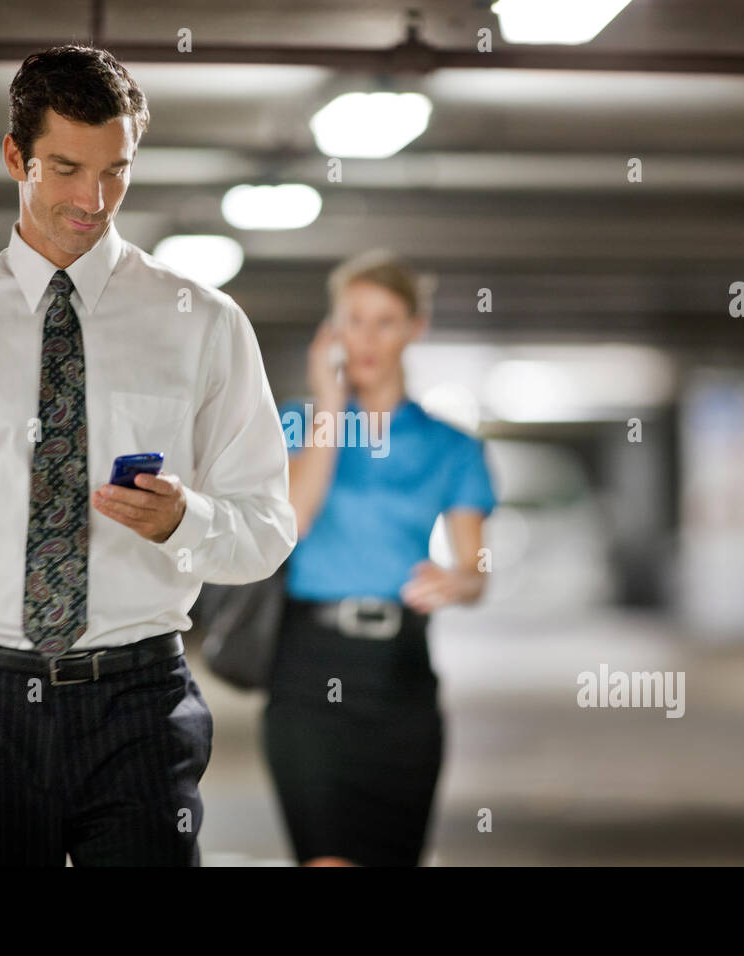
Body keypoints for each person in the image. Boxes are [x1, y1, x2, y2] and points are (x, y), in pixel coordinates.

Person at [0, 45, 295, 866]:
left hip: (141, 703)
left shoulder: (205, 324)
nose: (92, 199)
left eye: (116, 171)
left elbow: (268, 529)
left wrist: (188, 522)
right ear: (16, 157)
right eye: (67, 169)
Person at [264, 250, 497, 866]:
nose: (366, 339)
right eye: (354, 319)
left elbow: (477, 572)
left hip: (402, 676)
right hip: (310, 671)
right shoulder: (297, 423)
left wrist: (459, 581)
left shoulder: (451, 445)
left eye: (385, 321)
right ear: (332, 328)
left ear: (415, 328)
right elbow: (291, 519)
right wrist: (329, 402)